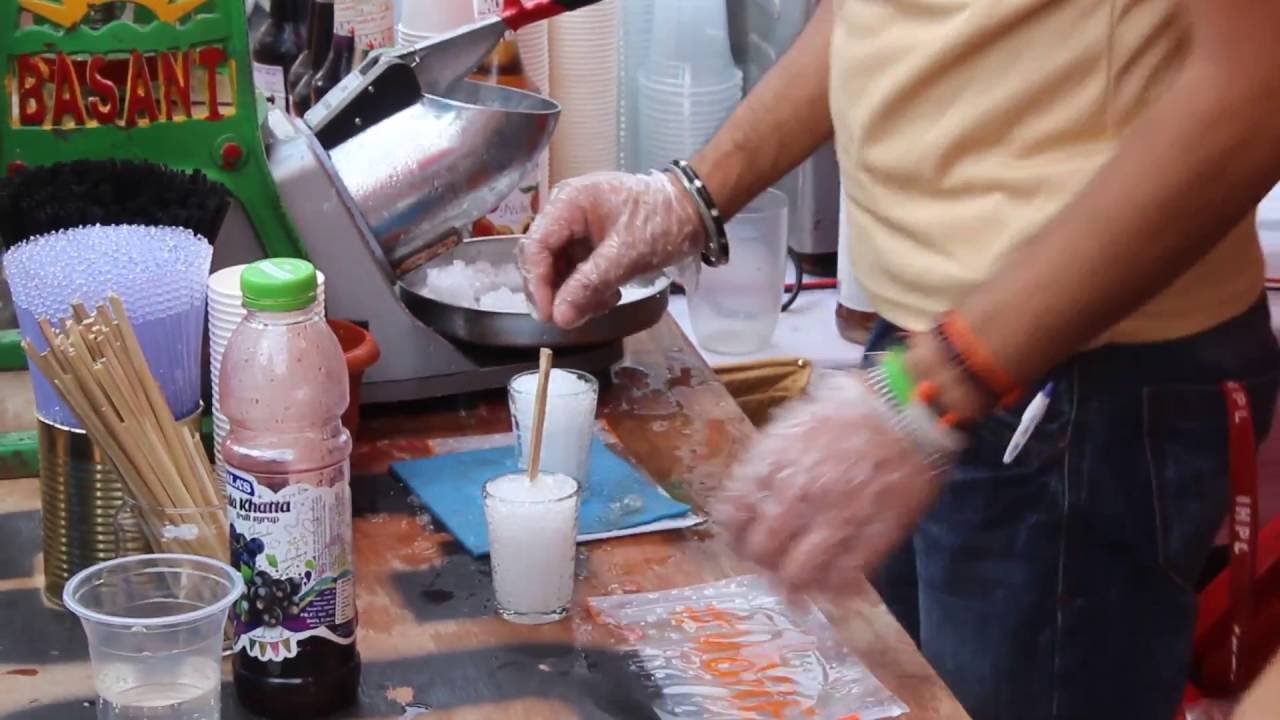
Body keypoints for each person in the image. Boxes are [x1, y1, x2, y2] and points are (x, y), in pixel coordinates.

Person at [518, 1, 1280, 719]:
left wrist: (944, 382)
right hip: (938, 357)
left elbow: (1254, 93)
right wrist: (691, 195)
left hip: (1076, 383)